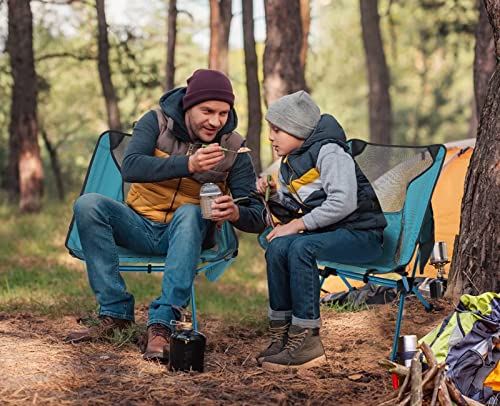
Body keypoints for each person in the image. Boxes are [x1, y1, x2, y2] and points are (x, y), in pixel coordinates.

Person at [65, 69, 266, 362]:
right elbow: (132, 166)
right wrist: (188, 165)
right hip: (139, 225)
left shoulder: (234, 147)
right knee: (88, 204)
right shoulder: (157, 122)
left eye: (223, 113)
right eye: (207, 111)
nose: (215, 121)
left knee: (188, 211)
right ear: (188, 105)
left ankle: (163, 324)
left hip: (189, 232)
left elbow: (257, 215)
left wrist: (235, 212)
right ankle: (115, 313)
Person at [255, 90, 387, 371]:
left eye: (277, 129)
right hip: (333, 233)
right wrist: (274, 198)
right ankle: (284, 335)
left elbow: (343, 201)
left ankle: (308, 341)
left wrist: (298, 225)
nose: (270, 137)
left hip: (363, 235)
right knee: (278, 246)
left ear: (296, 129)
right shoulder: (290, 163)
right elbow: (297, 207)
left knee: (301, 246)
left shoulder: (329, 151)